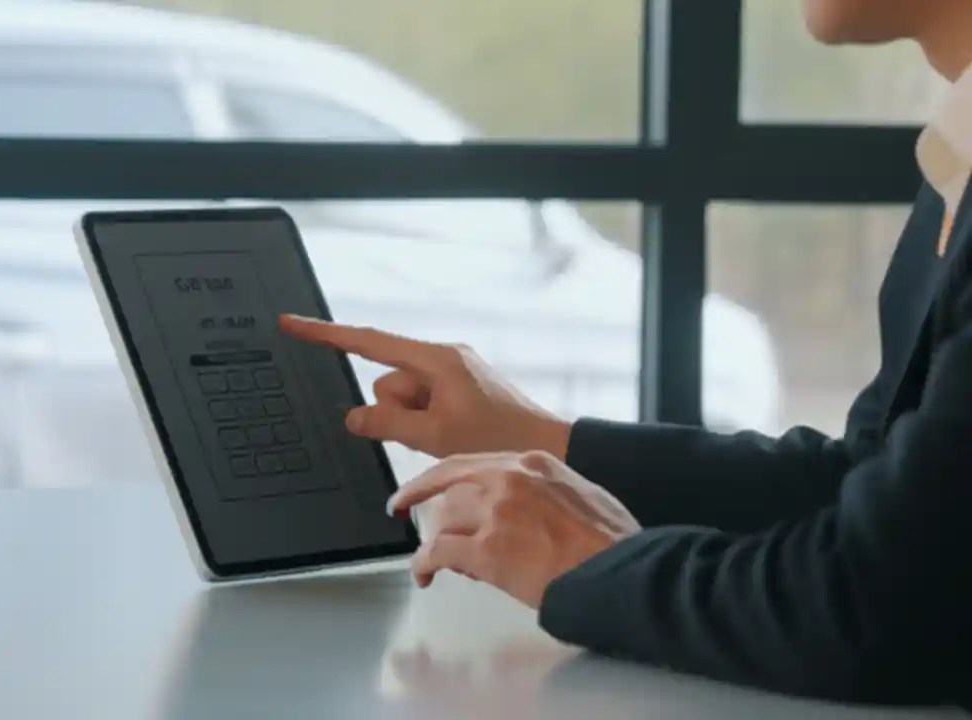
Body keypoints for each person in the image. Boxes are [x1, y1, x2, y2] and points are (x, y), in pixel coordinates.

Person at [279, 0, 972, 708]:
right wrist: (539, 440)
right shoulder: (958, 153)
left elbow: (884, 606)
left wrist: (589, 563)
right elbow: (868, 484)